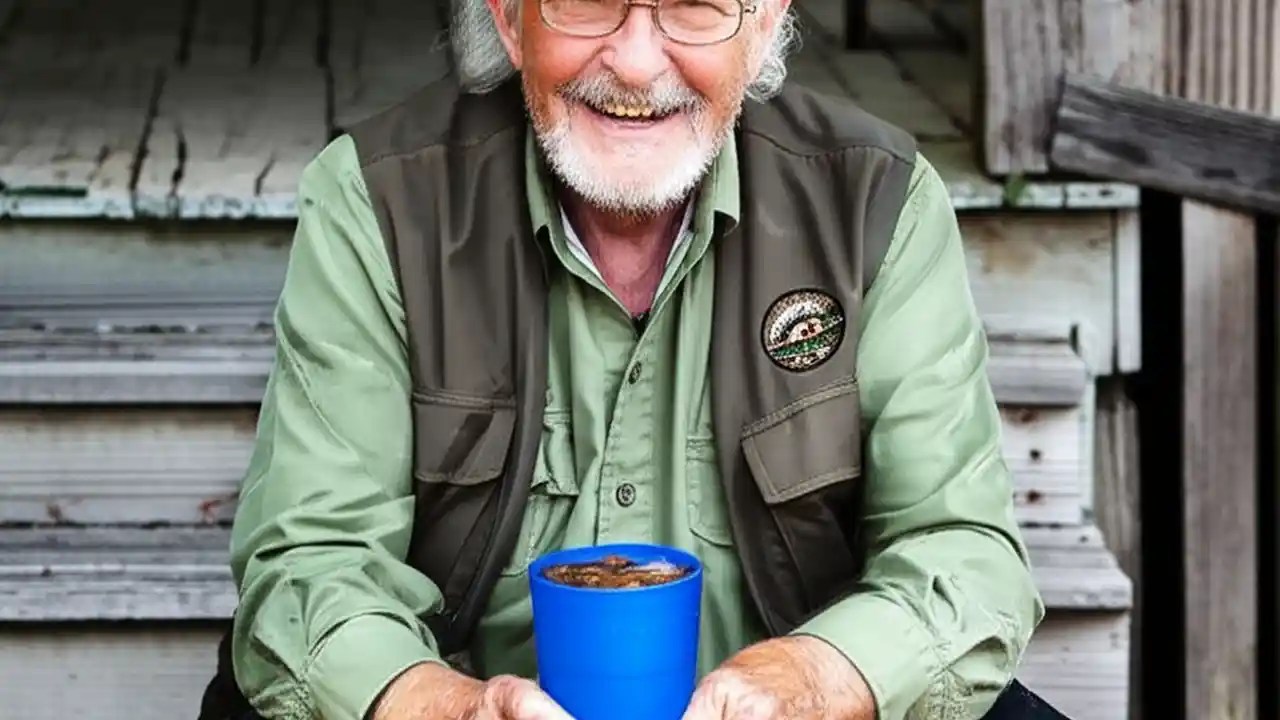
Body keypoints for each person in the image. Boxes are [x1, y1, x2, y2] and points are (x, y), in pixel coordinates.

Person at [199, 0, 1048, 717]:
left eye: (694, 5)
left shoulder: (873, 201)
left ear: (765, 23)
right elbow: (308, 560)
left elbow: (961, 552)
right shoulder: (379, 200)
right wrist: (445, 705)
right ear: (507, 15)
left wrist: (813, 680)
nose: (638, 63)